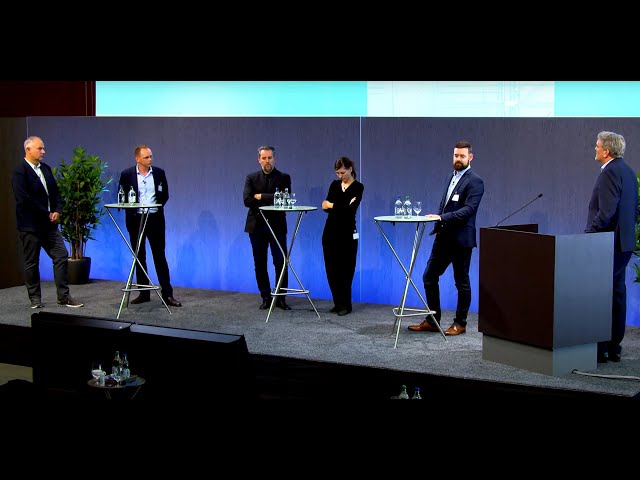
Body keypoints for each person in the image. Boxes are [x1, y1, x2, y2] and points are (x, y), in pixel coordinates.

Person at [408, 140, 484, 336]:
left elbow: (468, 210)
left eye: (462, 156)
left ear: (470, 157)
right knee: (429, 276)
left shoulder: (475, 181)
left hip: (461, 240)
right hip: (443, 237)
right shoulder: (450, 176)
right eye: (456, 155)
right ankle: (433, 321)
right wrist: (439, 220)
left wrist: (442, 217)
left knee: (461, 282)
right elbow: (446, 205)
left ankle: (460, 323)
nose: (458, 159)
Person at [11, 136, 84, 308]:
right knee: (32, 262)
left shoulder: (46, 168)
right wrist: (47, 213)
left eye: (43, 148)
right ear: (28, 150)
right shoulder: (20, 171)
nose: (43, 151)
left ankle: (64, 297)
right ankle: (35, 299)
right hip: (30, 226)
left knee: (61, 255)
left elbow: (56, 192)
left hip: (49, 225)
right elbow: (24, 198)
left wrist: (57, 210)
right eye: (40, 148)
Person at [585, 131, 638, 363]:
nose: (595, 149)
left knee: (601, 295)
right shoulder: (628, 171)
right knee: (617, 293)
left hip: (607, 244)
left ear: (606, 150)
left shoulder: (609, 172)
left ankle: (601, 348)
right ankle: (614, 346)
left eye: (597, 146)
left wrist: (589, 234)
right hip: (623, 243)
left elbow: (605, 212)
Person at [118, 144, 182, 307]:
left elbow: (165, 194)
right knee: (139, 257)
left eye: (151, 156)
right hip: (136, 220)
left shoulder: (159, 173)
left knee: (159, 256)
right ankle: (144, 293)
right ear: (137, 159)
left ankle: (167, 294)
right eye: (146, 157)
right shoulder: (127, 174)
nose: (150, 159)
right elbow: (122, 194)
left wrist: (154, 208)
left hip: (155, 219)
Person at [243, 145, 292, 310]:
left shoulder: (284, 177)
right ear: (259, 160)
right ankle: (266, 297)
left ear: (274, 159)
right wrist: (272, 198)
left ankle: (281, 298)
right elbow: (247, 200)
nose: (267, 161)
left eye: (269, 158)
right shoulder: (251, 178)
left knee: (280, 262)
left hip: (277, 226)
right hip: (257, 226)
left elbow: (284, 199)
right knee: (260, 263)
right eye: (264, 158)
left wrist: (261, 196)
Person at [321, 156, 364, 316]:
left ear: (350, 169)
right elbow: (324, 206)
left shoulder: (358, 187)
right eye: (337, 173)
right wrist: (338, 205)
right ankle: (338, 303)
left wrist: (332, 205)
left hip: (347, 233)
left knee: (346, 268)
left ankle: (346, 304)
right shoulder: (334, 185)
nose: (340, 176)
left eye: (342, 172)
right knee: (331, 269)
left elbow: (350, 210)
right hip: (330, 231)